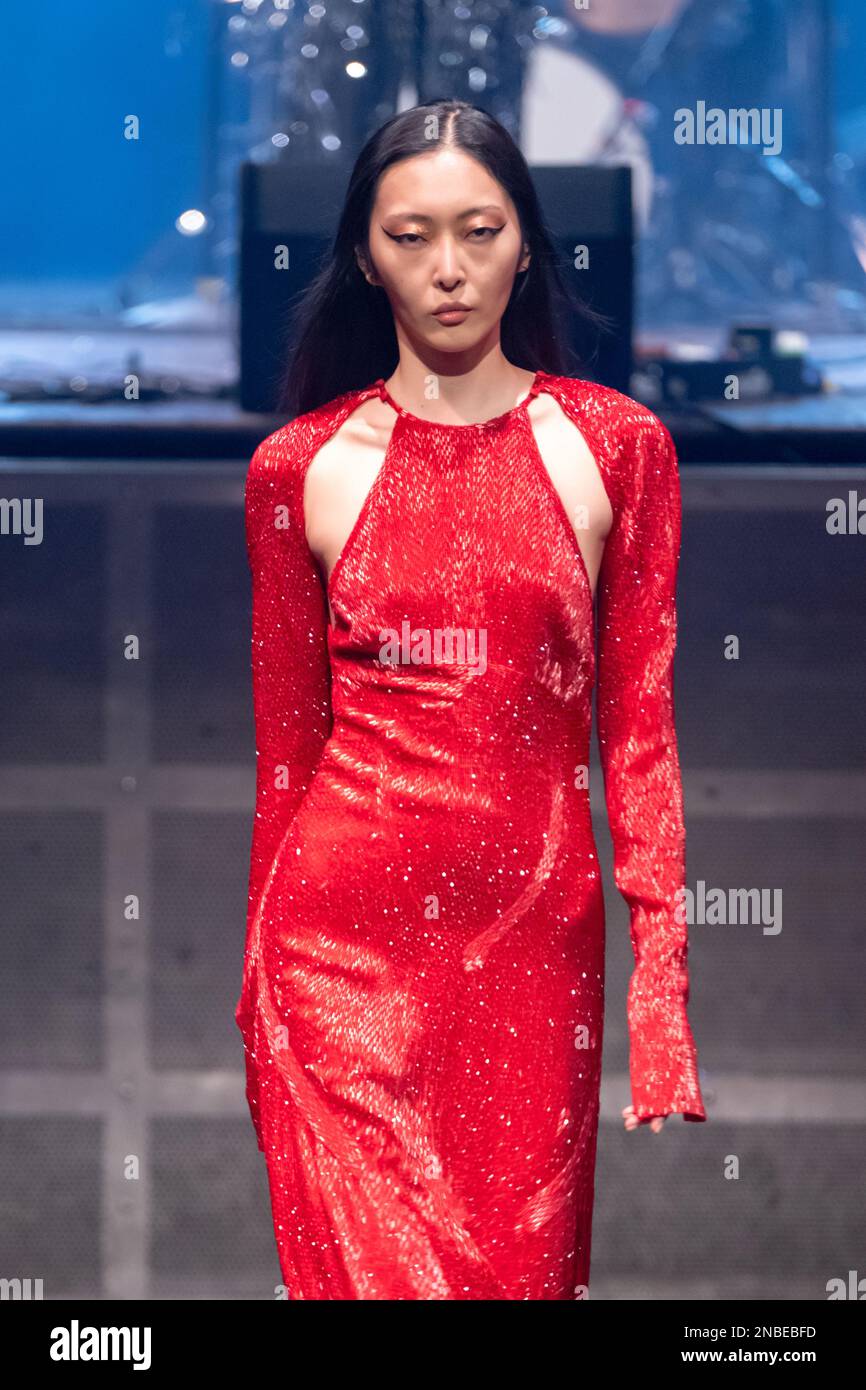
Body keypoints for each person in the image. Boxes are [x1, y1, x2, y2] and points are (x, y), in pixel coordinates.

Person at [235, 99, 706, 1301]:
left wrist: (659, 987)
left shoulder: (616, 448)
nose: (447, 269)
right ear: (361, 254)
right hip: (335, 951)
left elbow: (637, 733)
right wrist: (257, 994)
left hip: (533, 950)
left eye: (479, 230)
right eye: (409, 236)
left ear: (526, 243)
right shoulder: (299, 470)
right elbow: (286, 759)